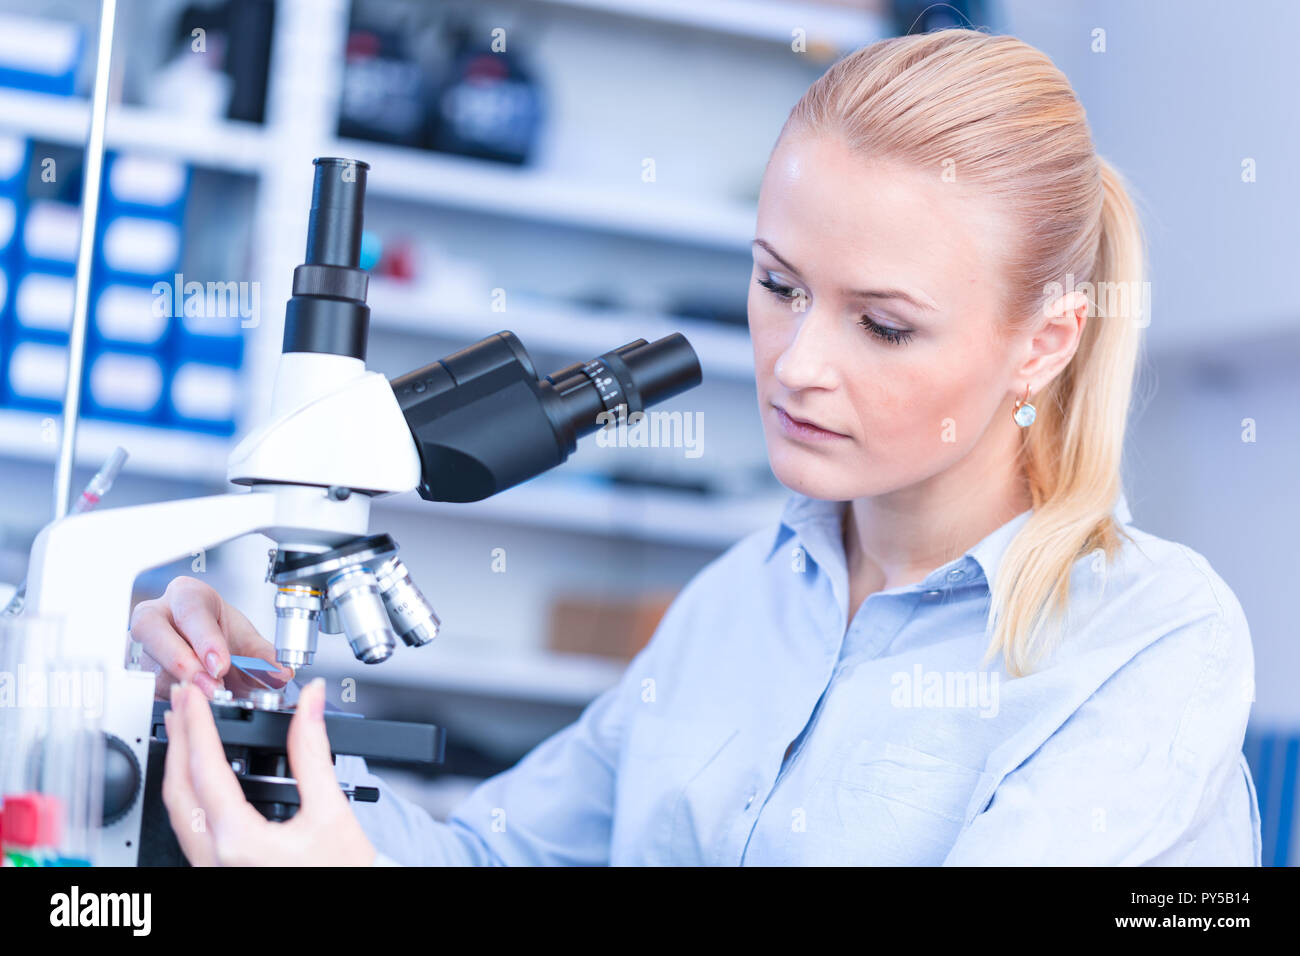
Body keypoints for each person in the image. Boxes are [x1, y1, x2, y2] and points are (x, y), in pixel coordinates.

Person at [134, 27, 1261, 866]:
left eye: (882, 323)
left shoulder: (1154, 643)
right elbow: (505, 855)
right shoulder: (742, 602)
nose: (796, 361)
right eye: (776, 284)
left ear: (1044, 342)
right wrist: (271, 746)